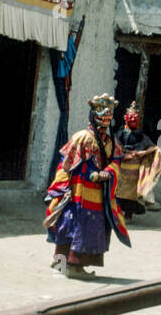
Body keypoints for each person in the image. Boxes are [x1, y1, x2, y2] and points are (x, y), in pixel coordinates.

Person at [44, 93, 131, 279]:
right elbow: (66, 164)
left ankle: (65, 263)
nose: (105, 121)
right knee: (73, 224)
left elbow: (116, 161)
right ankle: (70, 265)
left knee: (89, 227)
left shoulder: (110, 142)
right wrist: (63, 187)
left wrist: (108, 171)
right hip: (78, 192)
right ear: (93, 115)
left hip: (98, 194)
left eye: (108, 117)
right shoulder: (82, 137)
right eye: (102, 115)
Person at [112, 101, 161, 220]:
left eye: (136, 118)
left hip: (135, 170)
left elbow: (151, 147)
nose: (133, 120)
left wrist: (143, 152)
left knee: (133, 194)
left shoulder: (140, 134)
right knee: (118, 191)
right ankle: (116, 213)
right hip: (122, 166)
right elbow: (116, 145)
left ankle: (129, 214)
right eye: (131, 117)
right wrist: (125, 154)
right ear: (125, 118)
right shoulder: (120, 133)